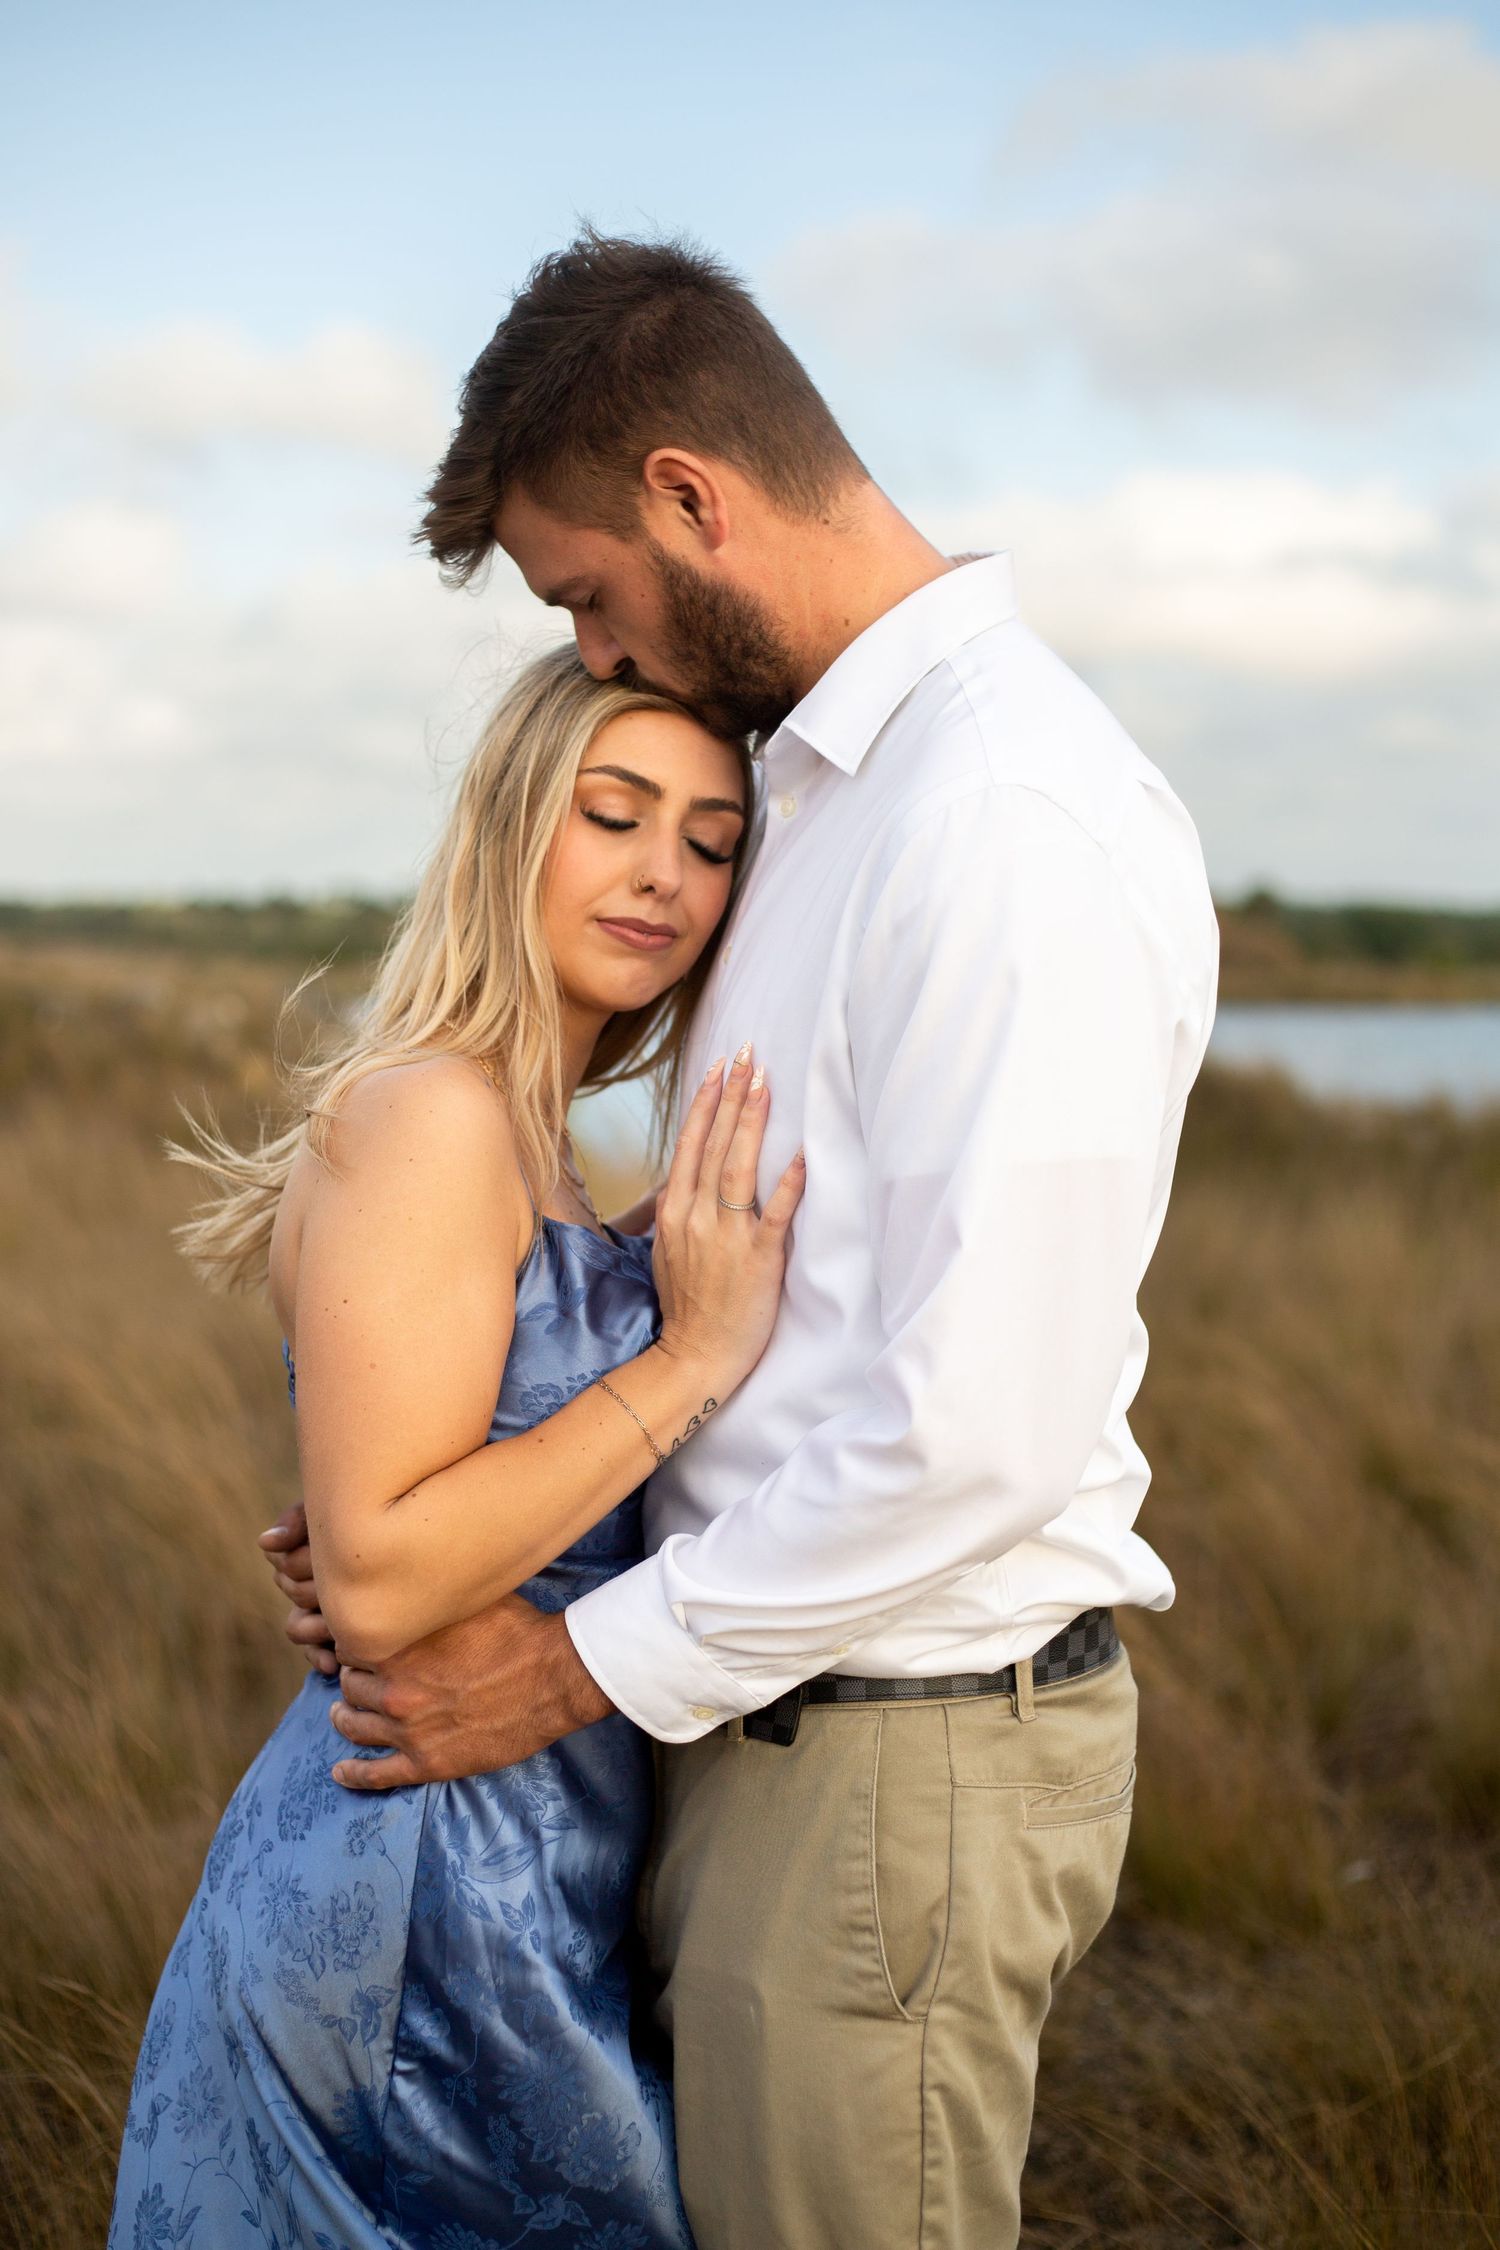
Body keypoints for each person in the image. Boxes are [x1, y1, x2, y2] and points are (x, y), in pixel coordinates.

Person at [278, 232, 1221, 2250]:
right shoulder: (828, 795)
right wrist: (459, 1506)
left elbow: (982, 1427)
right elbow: (772, 1295)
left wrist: (570, 1663)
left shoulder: (1003, 817)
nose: (600, 659)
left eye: (590, 599)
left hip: (888, 1761)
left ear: (694, 499)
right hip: (766, 1733)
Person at [109, 643, 807, 2249]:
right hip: (418, 1897)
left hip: (527, 1865)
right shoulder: (429, 1111)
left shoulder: (530, 1135)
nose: (663, 875)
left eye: (711, 841)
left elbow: (431, 1492)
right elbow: (380, 1577)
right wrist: (693, 1352)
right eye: (614, 813)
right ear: (510, 825)